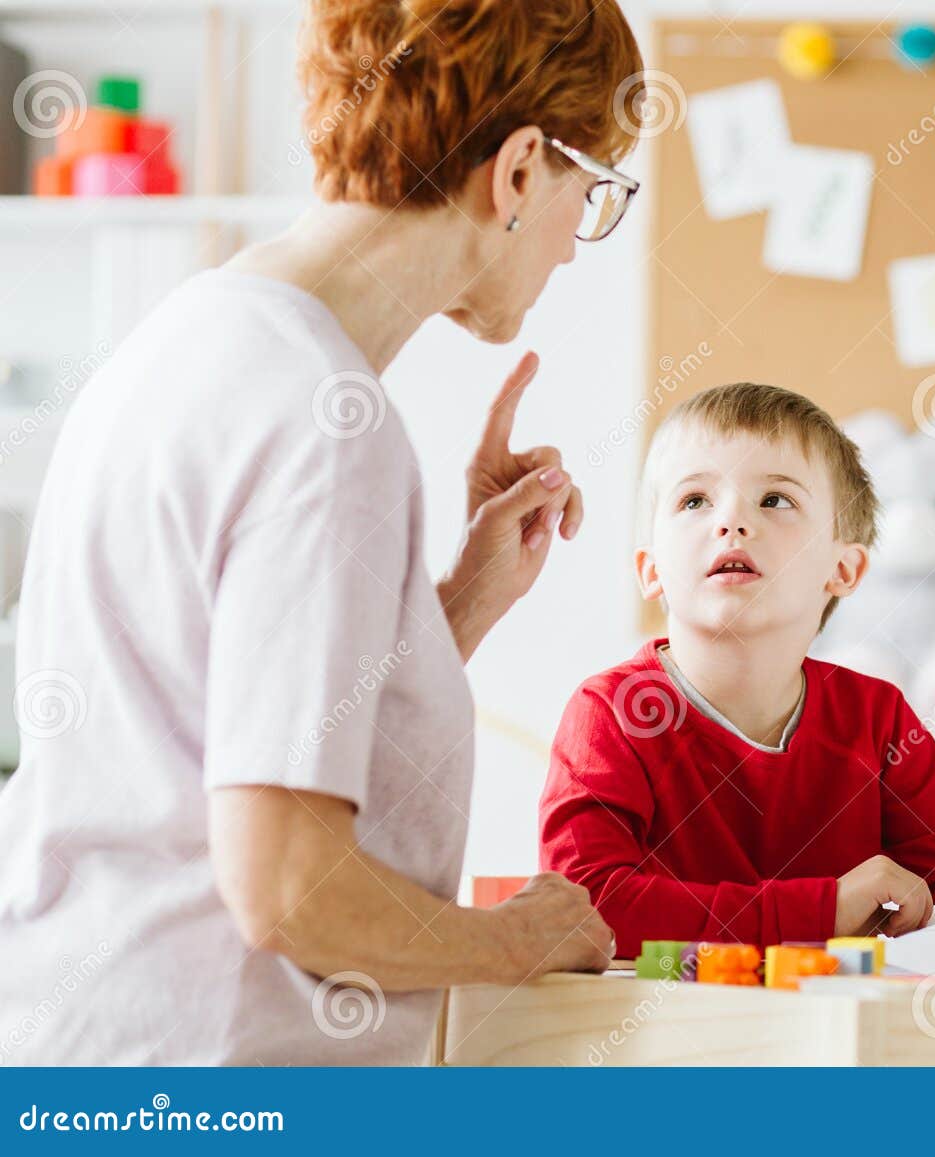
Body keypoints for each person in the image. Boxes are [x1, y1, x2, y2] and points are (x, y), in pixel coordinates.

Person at [0, 0, 643, 1065]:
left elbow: (226, 719)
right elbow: (289, 888)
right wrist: (512, 938)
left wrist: (460, 604)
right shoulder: (324, 421)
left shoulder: (194, 334)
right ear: (522, 170)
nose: (578, 243)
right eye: (595, 190)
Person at [540, 383, 935, 971]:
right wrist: (821, 911)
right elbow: (581, 908)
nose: (732, 521)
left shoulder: (875, 719)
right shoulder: (610, 714)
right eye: (695, 500)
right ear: (651, 571)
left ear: (845, 569)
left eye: (775, 500)